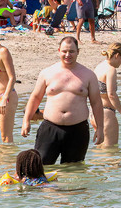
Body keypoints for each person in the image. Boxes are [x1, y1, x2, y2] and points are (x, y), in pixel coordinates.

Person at [21, 36, 105, 165]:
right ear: (59, 51)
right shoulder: (47, 72)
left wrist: (100, 128)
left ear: (78, 52)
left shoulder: (88, 75)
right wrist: (26, 121)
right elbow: (35, 97)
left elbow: (96, 103)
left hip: (78, 130)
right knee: (41, 167)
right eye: (64, 51)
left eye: (71, 51)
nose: (68, 55)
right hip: (50, 128)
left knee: (74, 171)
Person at [95, 43, 121, 146]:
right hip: (106, 113)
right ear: (117, 56)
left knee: (101, 151)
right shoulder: (111, 70)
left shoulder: (99, 66)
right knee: (111, 151)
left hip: (95, 113)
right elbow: (111, 94)